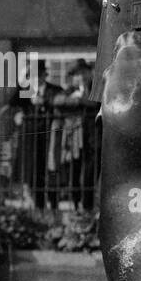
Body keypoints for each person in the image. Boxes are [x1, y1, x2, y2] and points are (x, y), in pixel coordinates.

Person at [10, 61, 64, 209]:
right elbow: (12, 102)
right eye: (32, 75)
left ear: (43, 75)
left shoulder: (54, 89)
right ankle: (38, 206)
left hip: (48, 136)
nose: (35, 78)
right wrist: (23, 82)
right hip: (29, 137)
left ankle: (53, 206)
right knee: (31, 172)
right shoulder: (26, 90)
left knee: (49, 172)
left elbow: (60, 104)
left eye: (38, 75)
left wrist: (44, 102)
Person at [54, 62, 102, 209]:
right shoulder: (71, 90)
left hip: (93, 137)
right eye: (76, 74)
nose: (80, 77)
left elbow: (96, 103)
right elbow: (57, 100)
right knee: (74, 170)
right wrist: (75, 99)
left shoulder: (96, 87)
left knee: (90, 171)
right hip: (76, 138)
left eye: (82, 73)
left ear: (89, 73)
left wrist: (81, 100)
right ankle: (76, 203)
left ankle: (87, 205)